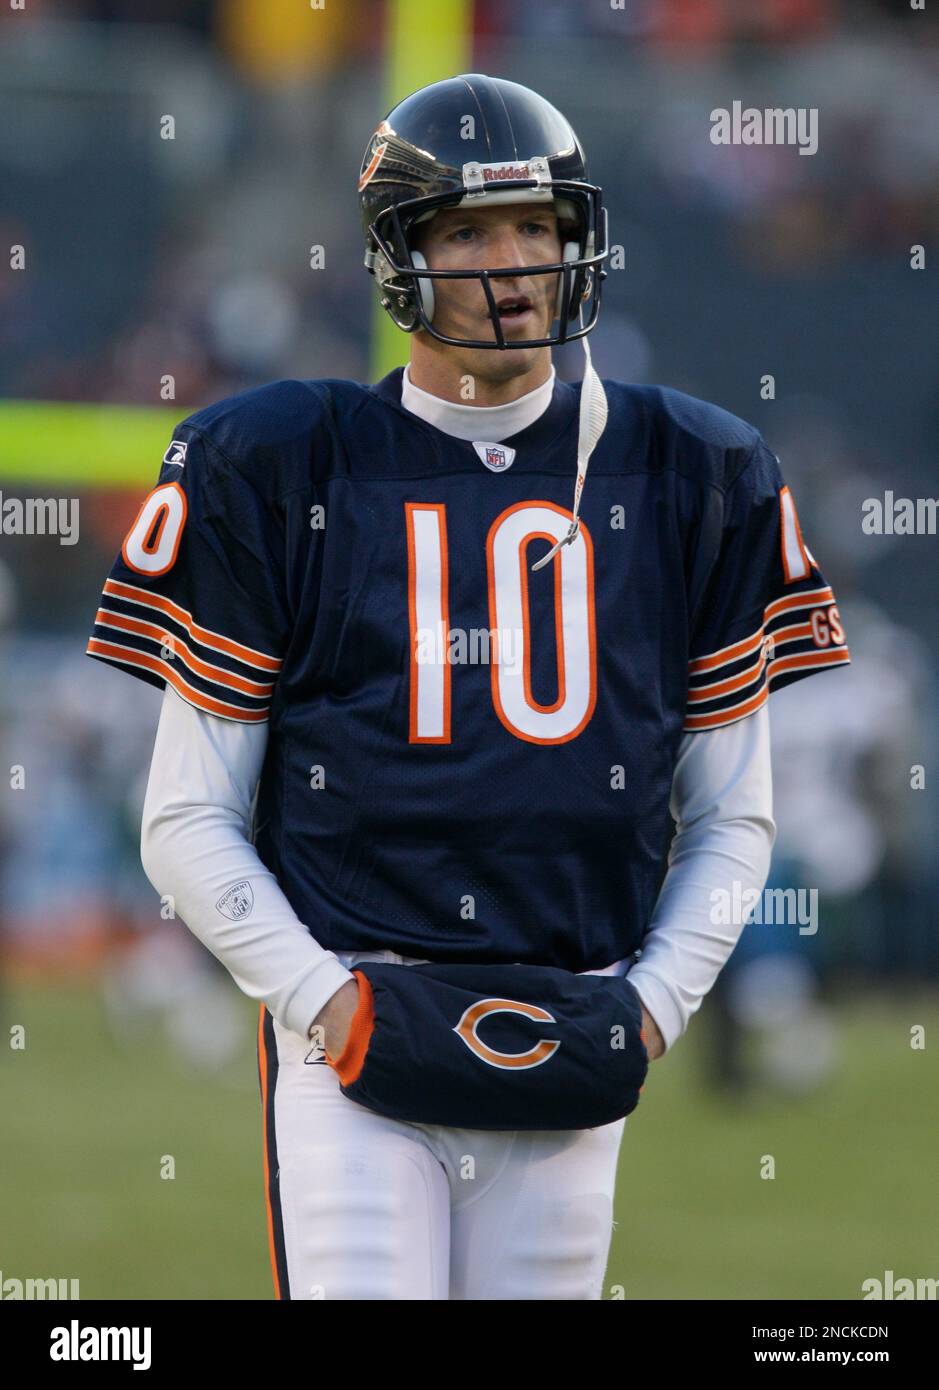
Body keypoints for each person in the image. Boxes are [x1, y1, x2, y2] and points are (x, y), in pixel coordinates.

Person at [85, 73, 851, 1300]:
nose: (513, 264)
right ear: (405, 256)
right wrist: (328, 1006)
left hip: (576, 1020)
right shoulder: (285, 460)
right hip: (359, 1031)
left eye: (538, 227)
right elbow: (184, 817)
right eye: (469, 230)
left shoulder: (692, 469)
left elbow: (732, 815)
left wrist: (648, 1007)